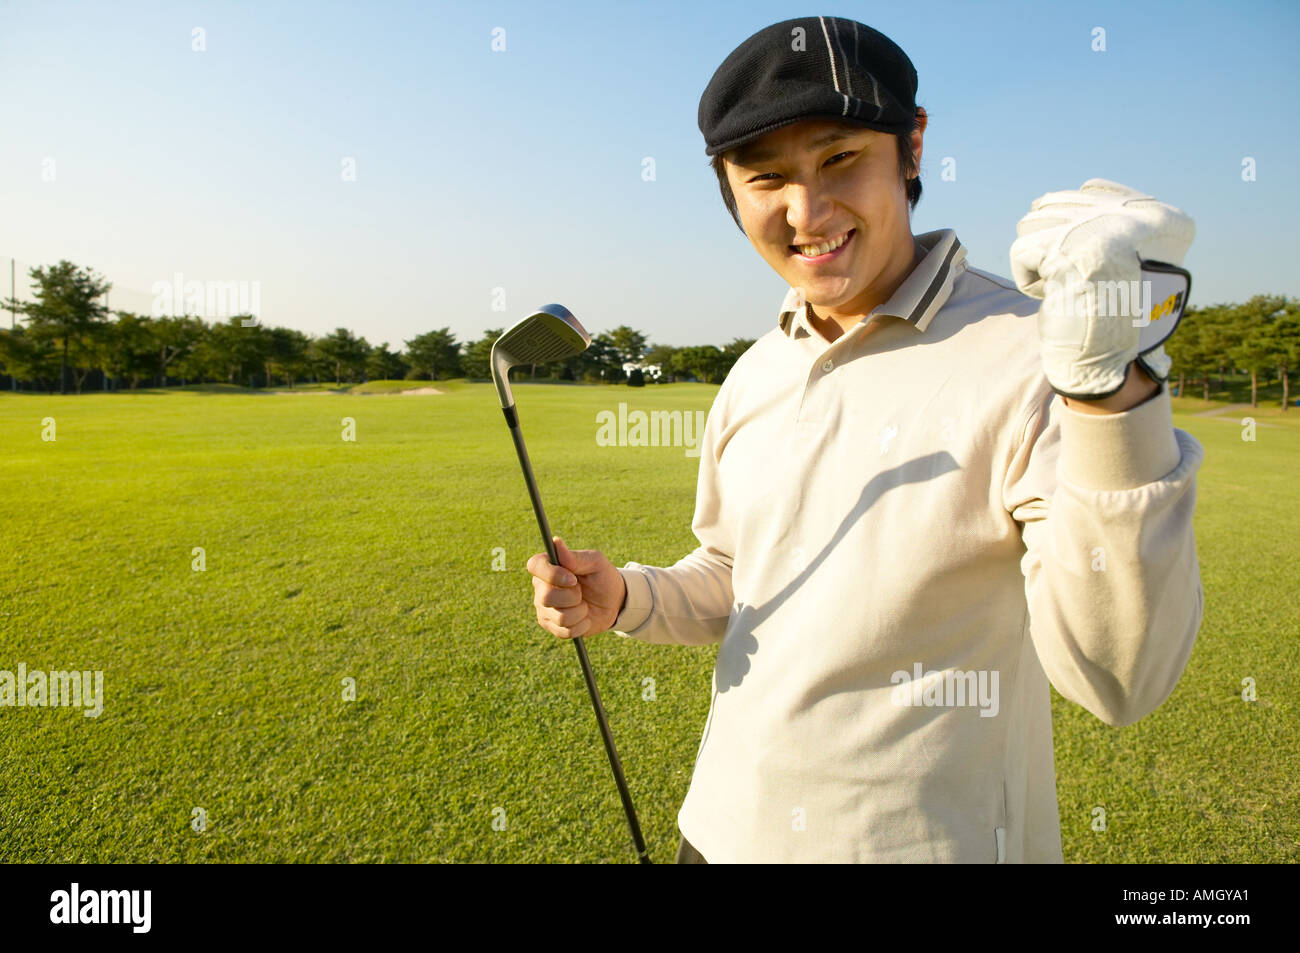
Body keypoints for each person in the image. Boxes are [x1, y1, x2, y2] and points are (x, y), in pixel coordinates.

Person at [526, 15, 1204, 863]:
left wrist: (1110, 390)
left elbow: (1120, 676)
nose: (807, 211)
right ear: (728, 193)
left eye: (840, 158)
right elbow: (739, 575)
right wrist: (623, 596)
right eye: (766, 177)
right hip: (718, 832)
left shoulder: (1041, 355)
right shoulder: (757, 371)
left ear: (912, 147)